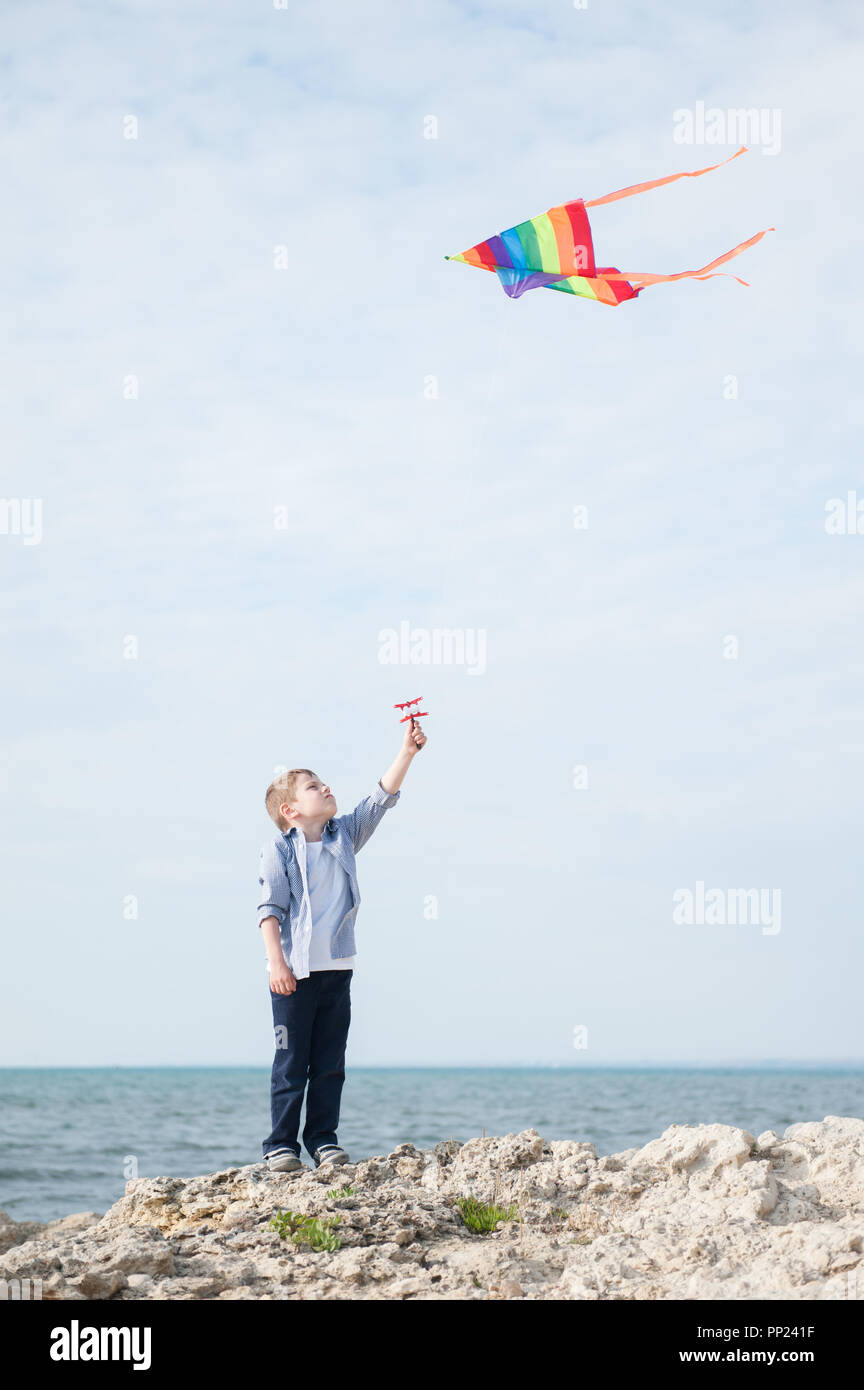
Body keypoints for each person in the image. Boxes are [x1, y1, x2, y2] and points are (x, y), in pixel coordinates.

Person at [256, 716, 427, 1172]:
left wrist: (406, 752)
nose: (326, 788)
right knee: (291, 1063)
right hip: (293, 973)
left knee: (330, 1063)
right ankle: (281, 1145)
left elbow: (378, 801)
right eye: (314, 786)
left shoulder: (344, 837)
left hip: (337, 968)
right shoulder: (279, 851)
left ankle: (324, 1141)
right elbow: (269, 910)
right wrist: (277, 965)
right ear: (291, 810)